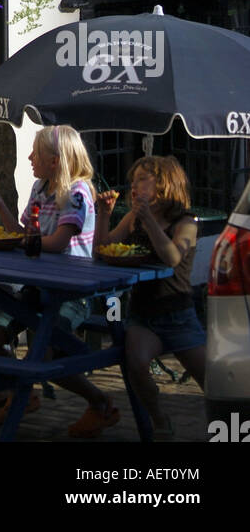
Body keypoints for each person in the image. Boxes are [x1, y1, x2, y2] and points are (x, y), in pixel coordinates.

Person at [0, 124, 120, 437]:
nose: (30, 158)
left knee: (43, 354)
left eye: (36, 153)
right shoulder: (40, 187)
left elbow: (57, 243)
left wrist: (19, 241)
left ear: (55, 161)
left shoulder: (77, 192)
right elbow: (24, 233)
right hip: (36, 287)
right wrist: (0, 205)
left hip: (70, 292)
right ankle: (21, 392)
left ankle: (99, 402)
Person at [94, 155, 205, 440]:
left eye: (142, 180)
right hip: (143, 314)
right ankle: (159, 421)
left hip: (178, 315)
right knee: (136, 363)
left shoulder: (186, 222)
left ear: (165, 184)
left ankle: (235, 428)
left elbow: (172, 257)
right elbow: (102, 250)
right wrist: (103, 215)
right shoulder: (133, 218)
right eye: (133, 181)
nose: (134, 186)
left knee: (211, 381)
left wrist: (148, 220)